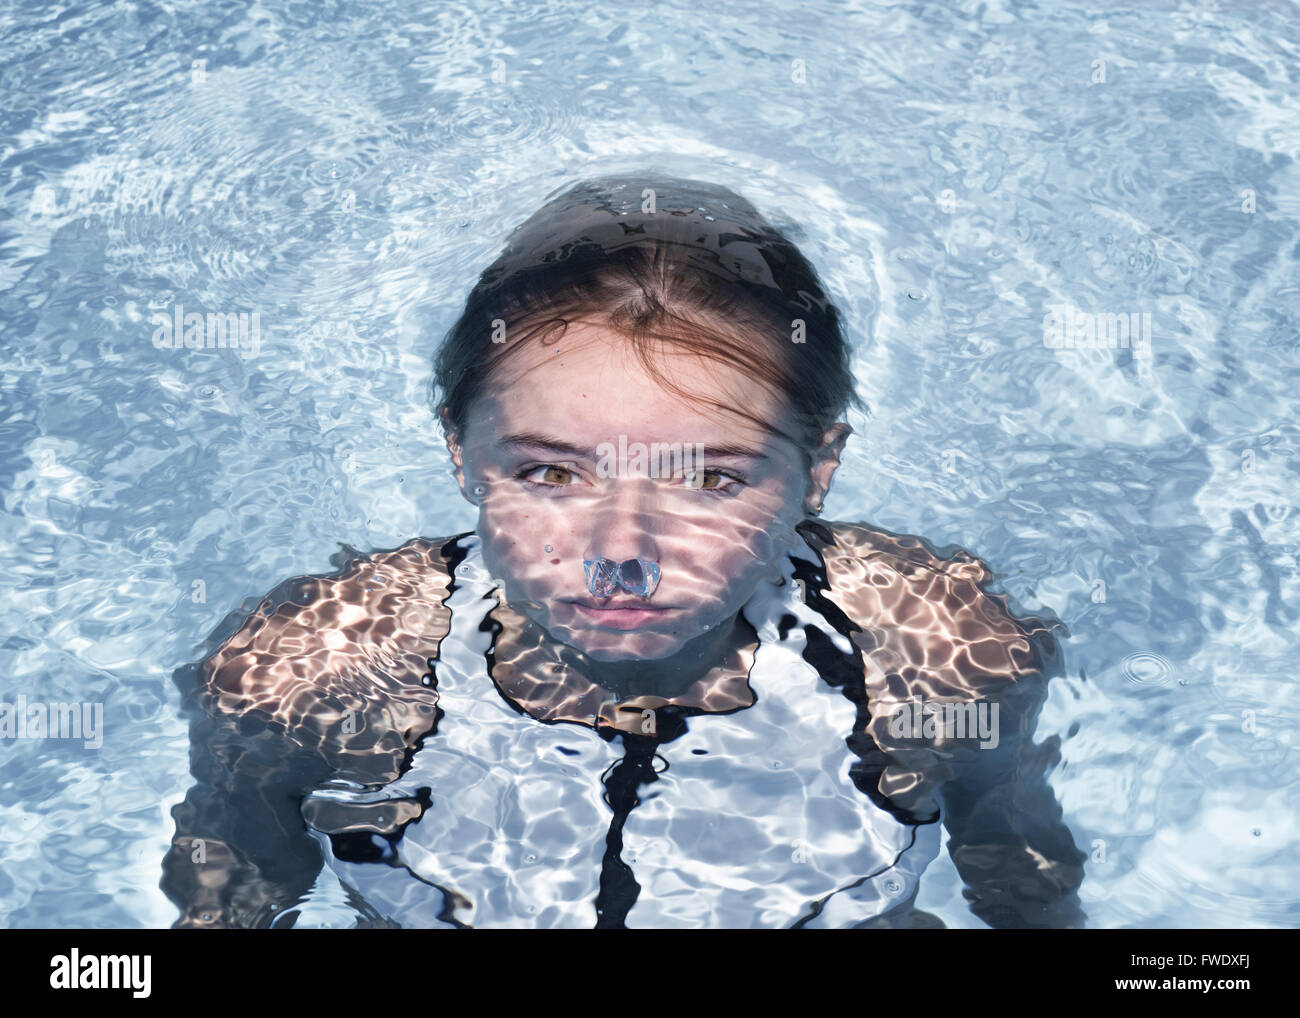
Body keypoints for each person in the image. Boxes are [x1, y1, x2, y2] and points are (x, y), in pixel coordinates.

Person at [163, 173, 1086, 928]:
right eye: (551, 473)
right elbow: (227, 901)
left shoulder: (934, 651)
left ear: (818, 470)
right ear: (461, 453)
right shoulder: (306, 668)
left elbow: (1024, 884)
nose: (621, 556)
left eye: (710, 479)